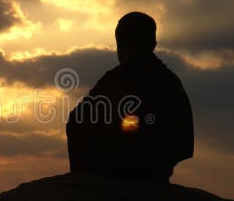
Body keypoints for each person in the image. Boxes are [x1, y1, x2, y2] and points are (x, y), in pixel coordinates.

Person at [66, 12, 193, 183]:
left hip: (124, 172)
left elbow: (77, 121)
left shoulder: (117, 79)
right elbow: (183, 142)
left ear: (121, 45)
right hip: (157, 171)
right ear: (153, 44)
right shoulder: (170, 81)